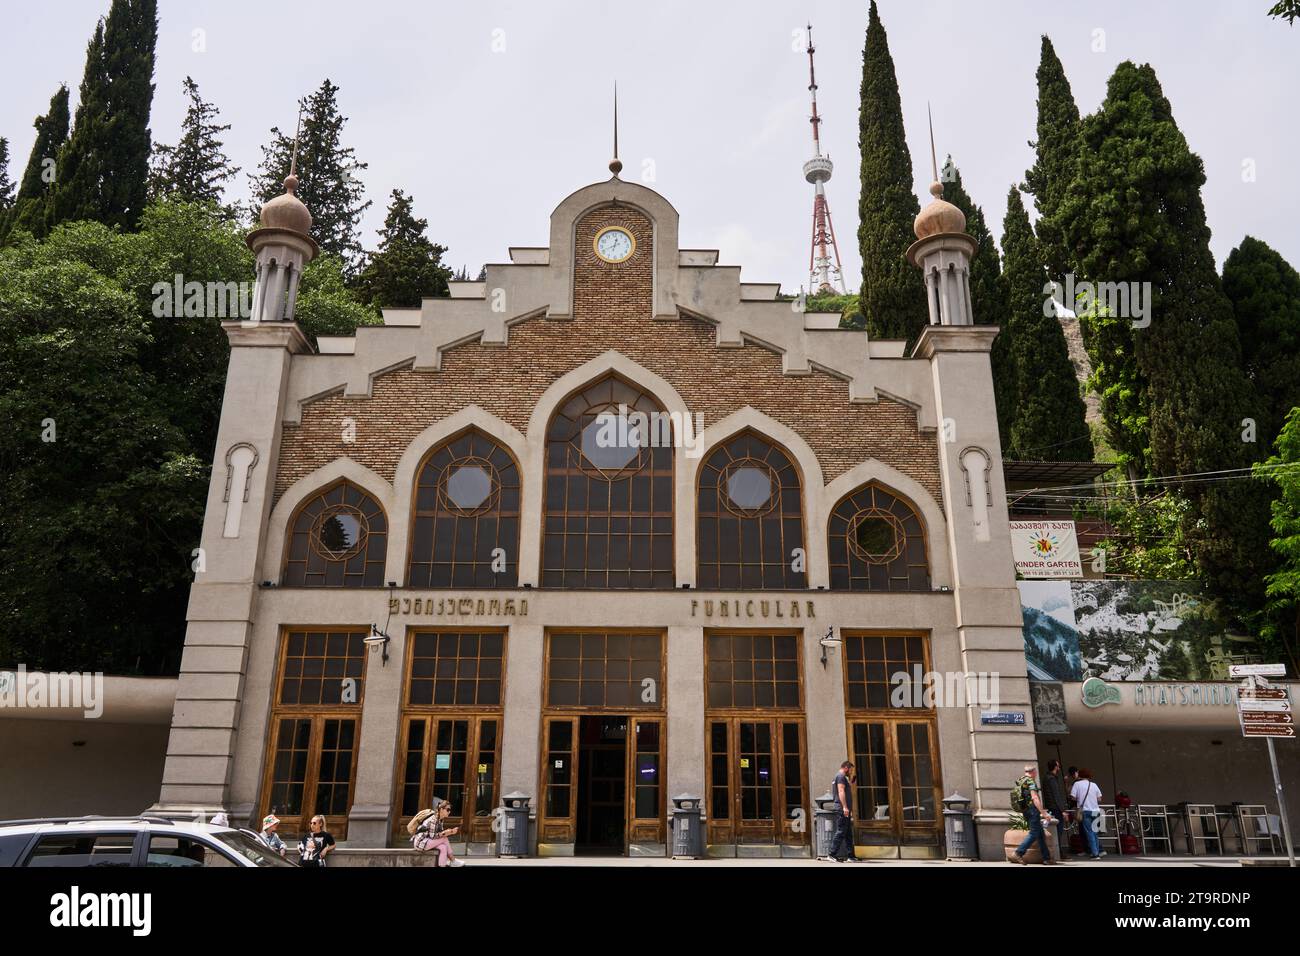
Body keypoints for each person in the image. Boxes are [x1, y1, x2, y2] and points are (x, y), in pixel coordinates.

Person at [1010, 764, 1055, 864]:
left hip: (1025, 810)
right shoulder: (1030, 781)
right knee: (1034, 833)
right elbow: (1035, 797)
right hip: (1032, 810)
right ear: (1033, 772)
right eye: (1036, 772)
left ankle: (1046, 858)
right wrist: (1043, 813)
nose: (1036, 774)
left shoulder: (1021, 780)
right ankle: (1018, 852)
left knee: (1040, 834)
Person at [412, 797, 465, 868]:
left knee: (443, 847)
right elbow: (433, 837)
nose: (449, 812)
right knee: (444, 839)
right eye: (448, 810)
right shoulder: (433, 820)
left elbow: (439, 834)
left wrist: (449, 832)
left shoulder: (440, 819)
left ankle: (442, 865)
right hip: (421, 843)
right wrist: (448, 833)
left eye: (450, 810)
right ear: (441, 809)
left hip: (428, 841)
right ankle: (453, 860)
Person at [826, 760, 858, 863]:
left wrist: (851, 783)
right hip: (841, 808)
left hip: (844, 808)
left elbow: (844, 789)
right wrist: (845, 807)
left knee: (848, 832)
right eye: (850, 770)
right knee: (841, 831)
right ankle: (831, 854)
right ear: (846, 768)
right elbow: (841, 791)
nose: (851, 772)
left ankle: (850, 856)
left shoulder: (842, 778)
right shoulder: (840, 776)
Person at [1071, 768, 1105, 860]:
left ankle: (1095, 854)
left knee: (1089, 832)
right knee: (1094, 832)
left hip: (1085, 811)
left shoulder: (1077, 784)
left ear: (1080, 775)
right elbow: (1099, 799)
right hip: (1095, 811)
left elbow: (1073, 798)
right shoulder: (1094, 785)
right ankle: (1097, 851)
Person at [1042, 759, 1068, 853]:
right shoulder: (1051, 779)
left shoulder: (1047, 777)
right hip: (1055, 808)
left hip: (1051, 806)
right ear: (1055, 767)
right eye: (1058, 766)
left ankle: (1057, 851)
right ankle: (1059, 851)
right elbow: (1056, 795)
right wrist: (1063, 810)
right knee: (1058, 831)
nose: (1059, 767)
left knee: (1055, 830)